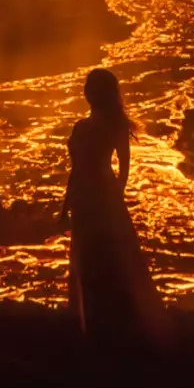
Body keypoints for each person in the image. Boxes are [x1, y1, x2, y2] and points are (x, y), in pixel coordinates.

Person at [58, 68, 171, 348]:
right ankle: (112, 324)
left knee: (94, 258)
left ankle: (98, 327)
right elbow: (121, 169)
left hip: (91, 198)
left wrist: (71, 206)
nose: (85, 91)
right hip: (99, 197)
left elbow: (88, 169)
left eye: (89, 87)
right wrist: (111, 199)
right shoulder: (111, 125)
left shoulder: (87, 127)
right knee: (109, 258)